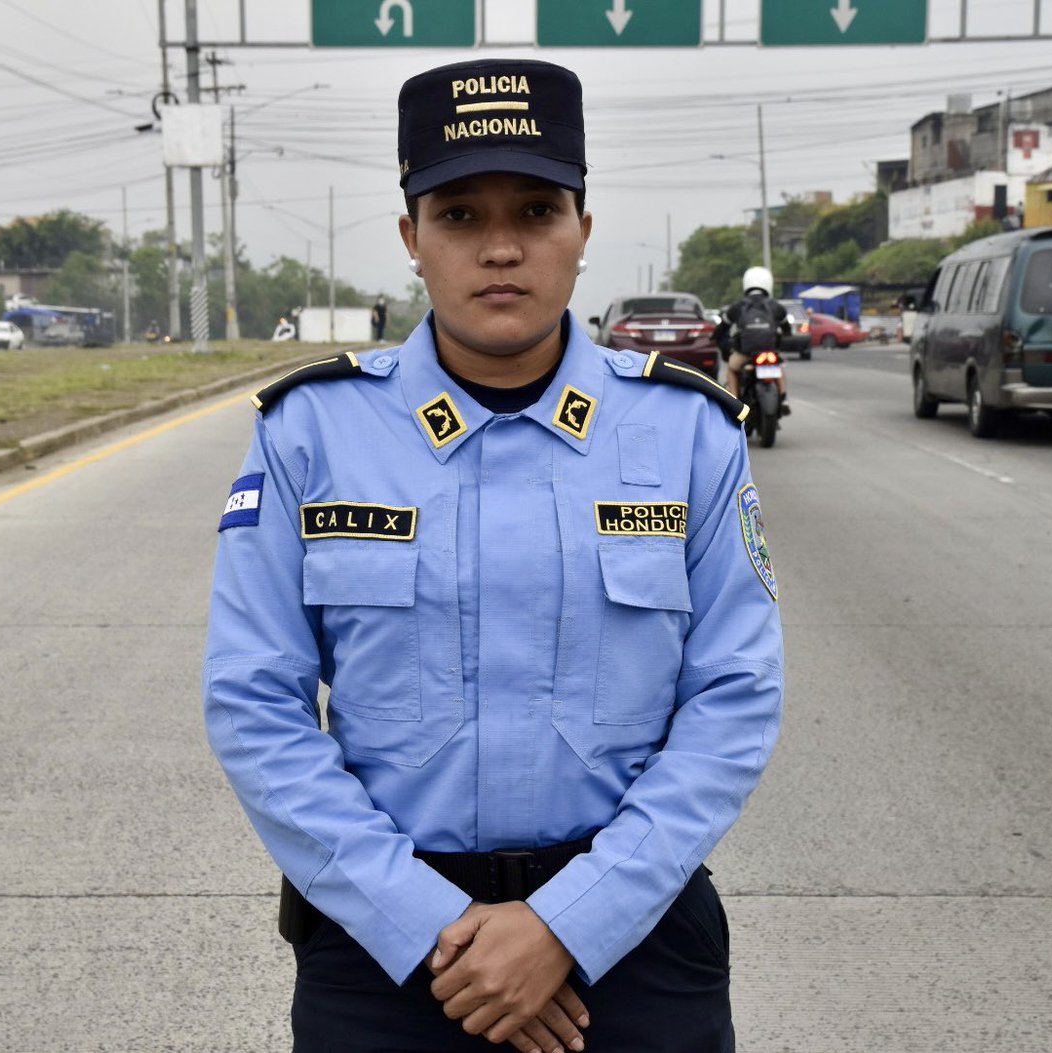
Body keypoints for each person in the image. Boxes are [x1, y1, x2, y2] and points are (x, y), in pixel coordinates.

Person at [204, 57, 783, 1053]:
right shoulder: (312, 434)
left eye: (537, 211)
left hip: (631, 945)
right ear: (411, 241)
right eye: (461, 215)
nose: (502, 248)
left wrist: (571, 923)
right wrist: (429, 928)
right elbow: (254, 703)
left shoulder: (688, 434)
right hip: (390, 951)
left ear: (583, 234)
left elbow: (734, 694)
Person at [715, 266, 790, 408]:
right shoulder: (776, 306)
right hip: (769, 351)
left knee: (731, 368)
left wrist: (715, 336)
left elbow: (723, 327)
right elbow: (786, 328)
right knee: (778, 367)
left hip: (745, 353)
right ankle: (784, 398)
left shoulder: (738, 306)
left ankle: (734, 402)